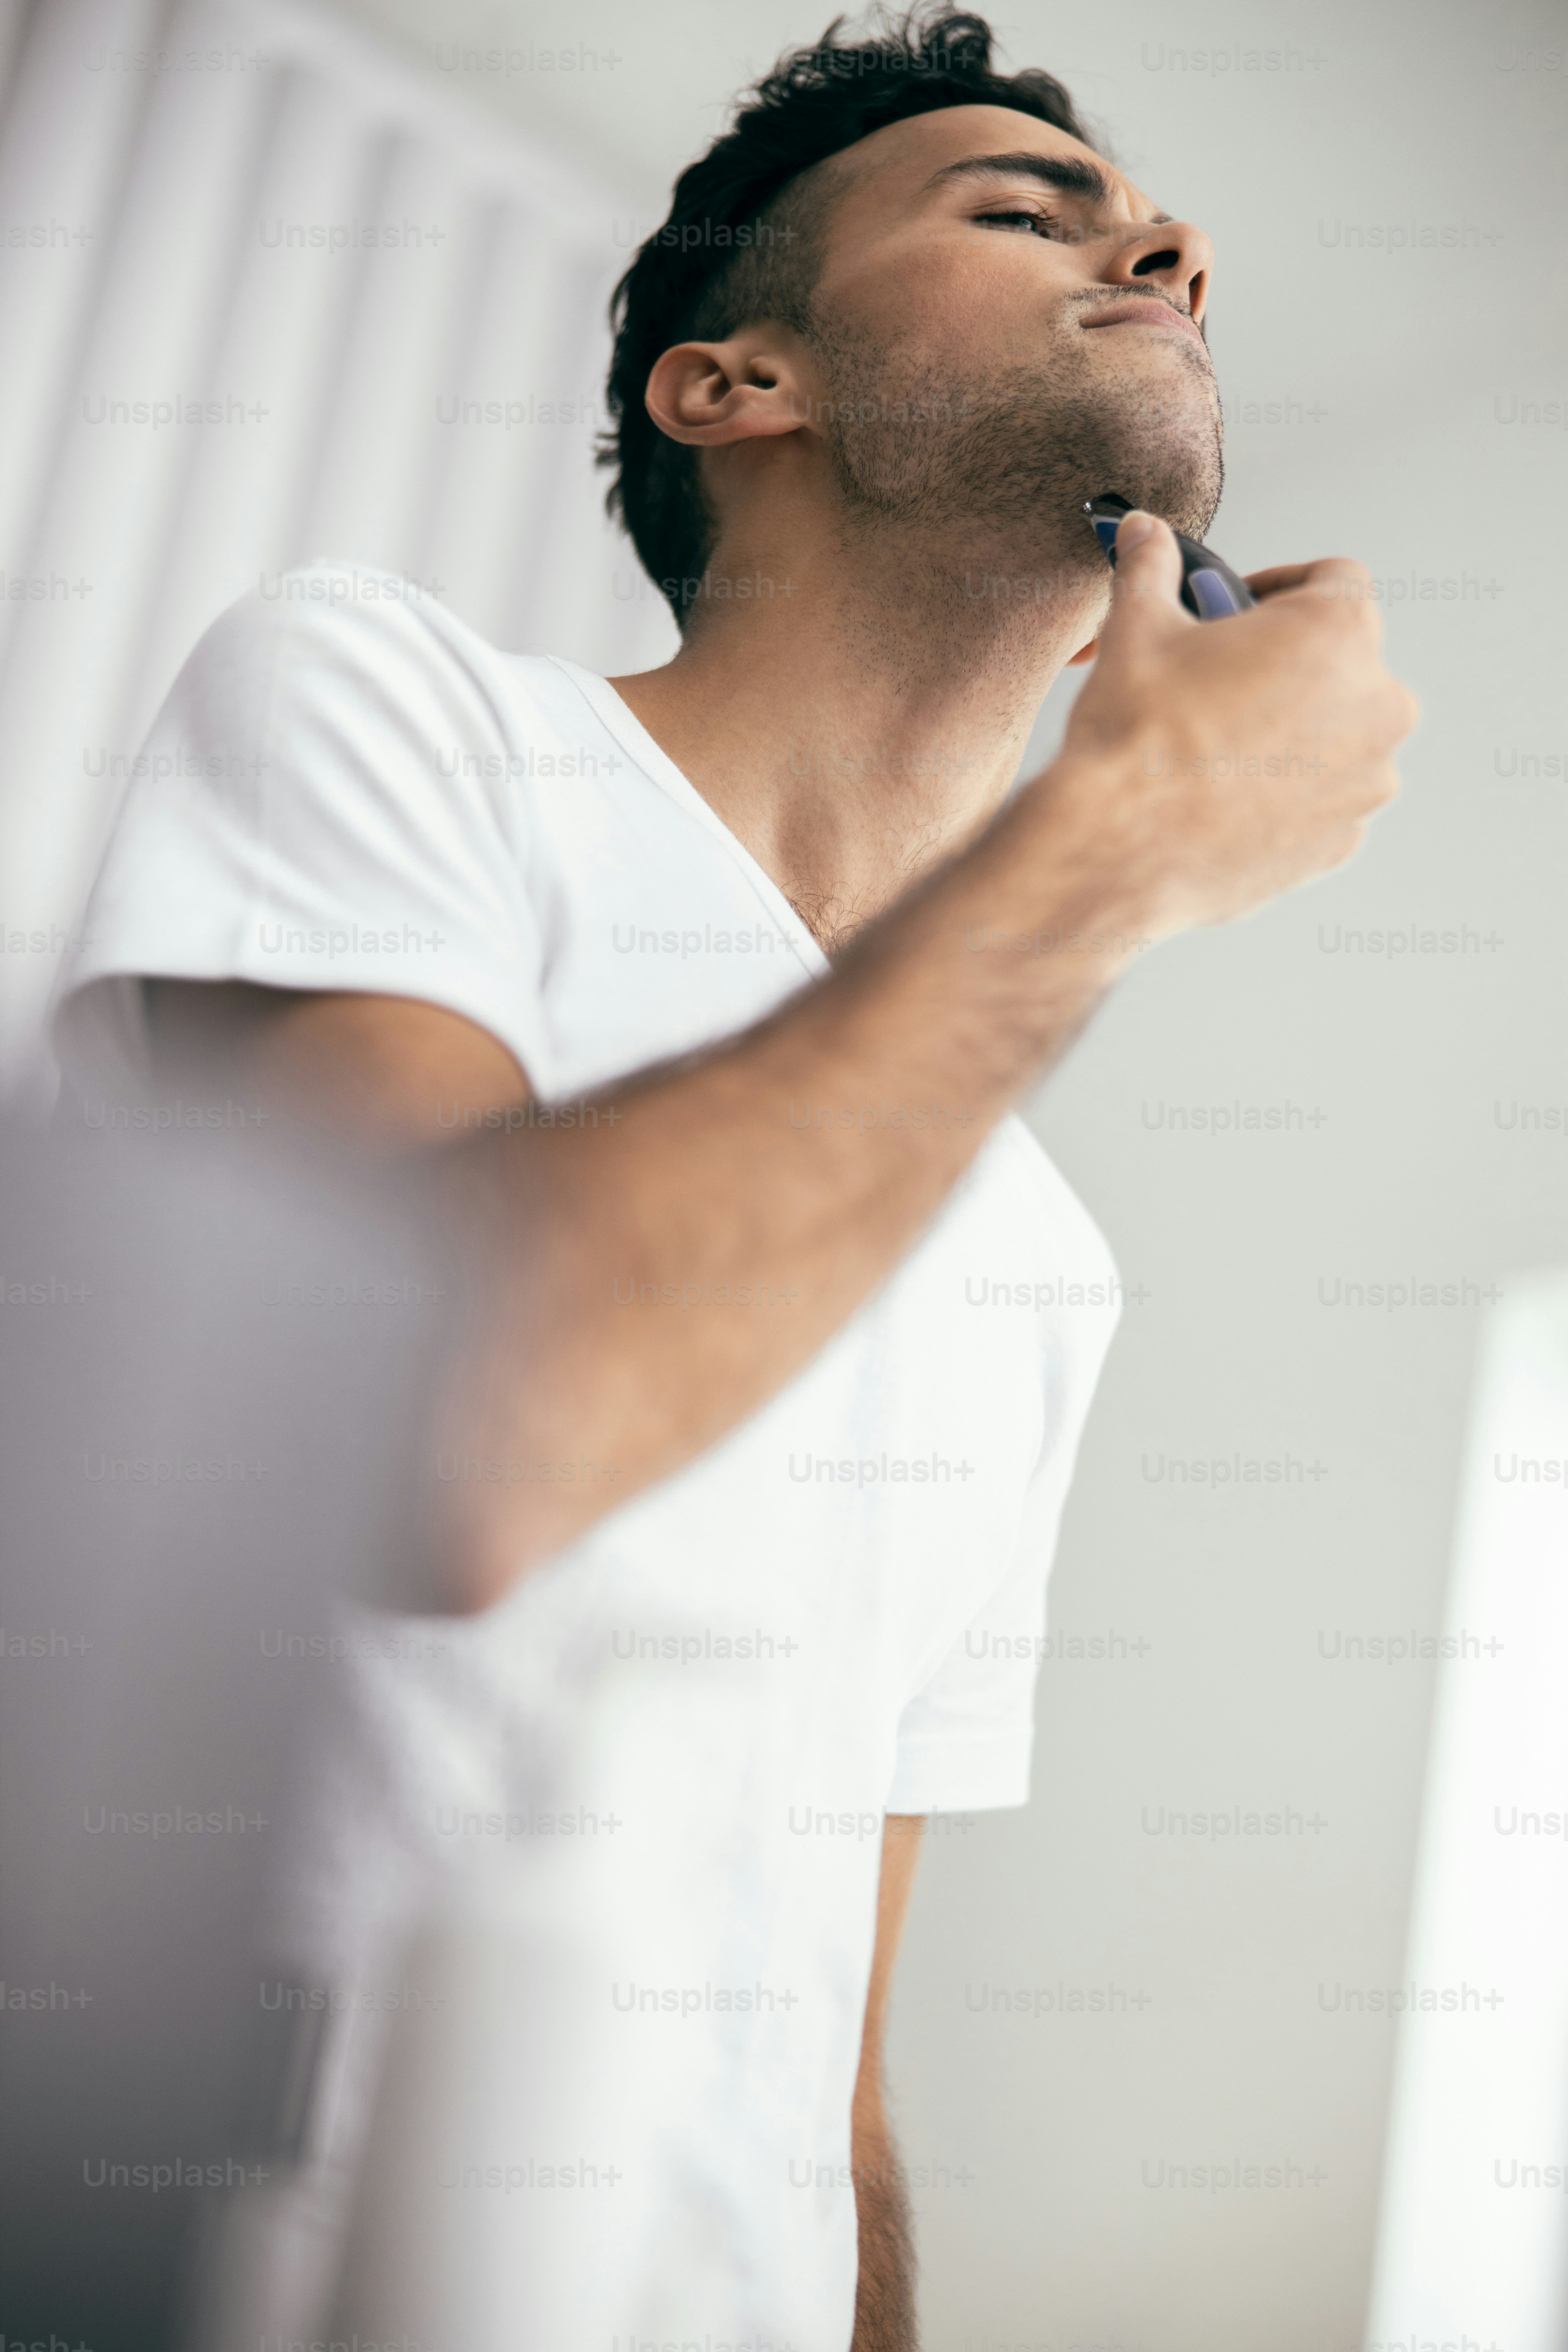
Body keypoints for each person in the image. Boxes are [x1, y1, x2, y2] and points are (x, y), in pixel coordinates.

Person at [51, 8, 1416, 2345]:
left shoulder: (1038, 1263)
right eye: (1025, 210)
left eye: (1165, 237)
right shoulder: (397, 716)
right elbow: (442, 1440)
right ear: (736, 385)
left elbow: (836, 2084)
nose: (1168, 250)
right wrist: (1129, 852)